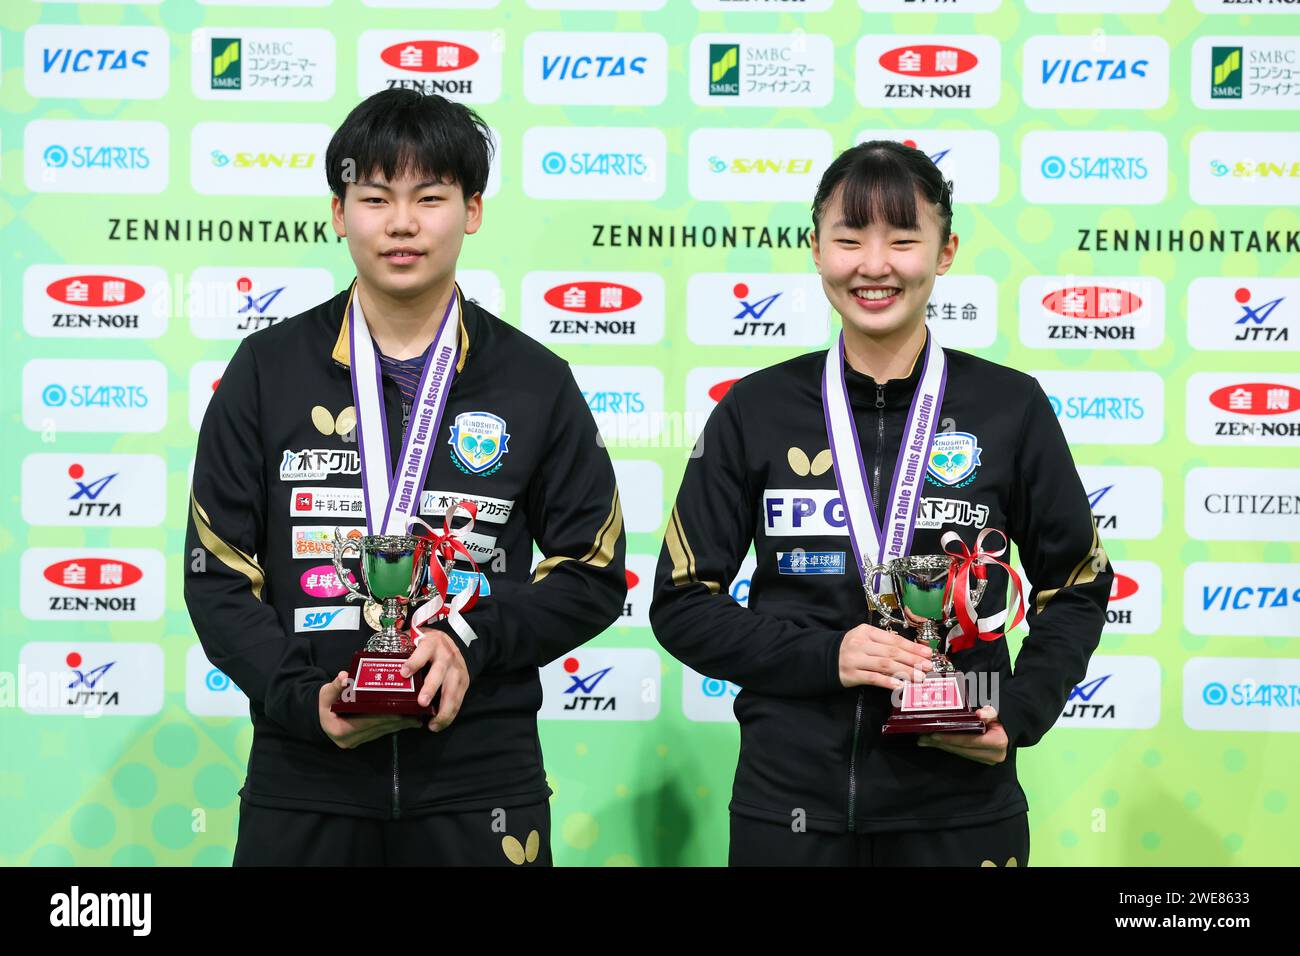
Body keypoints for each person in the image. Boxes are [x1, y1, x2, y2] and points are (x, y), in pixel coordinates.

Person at [184, 89, 626, 866]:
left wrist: (466, 642)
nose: (401, 223)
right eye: (375, 197)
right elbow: (217, 574)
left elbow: (591, 572)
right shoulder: (266, 372)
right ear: (337, 211)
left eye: (430, 197)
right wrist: (301, 698)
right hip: (305, 776)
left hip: (480, 776)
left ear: (473, 209)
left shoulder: (534, 380)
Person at [649, 140, 1111, 866]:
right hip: (788, 801)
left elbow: (1077, 583)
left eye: (902, 239)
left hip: (960, 806)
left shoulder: (1009, 408)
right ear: (815, 249)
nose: (873, 264)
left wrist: (1017, 712)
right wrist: (825, 655)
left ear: (946, 250)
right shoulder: (755, 409)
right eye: (848, 237)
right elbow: (681, 601)